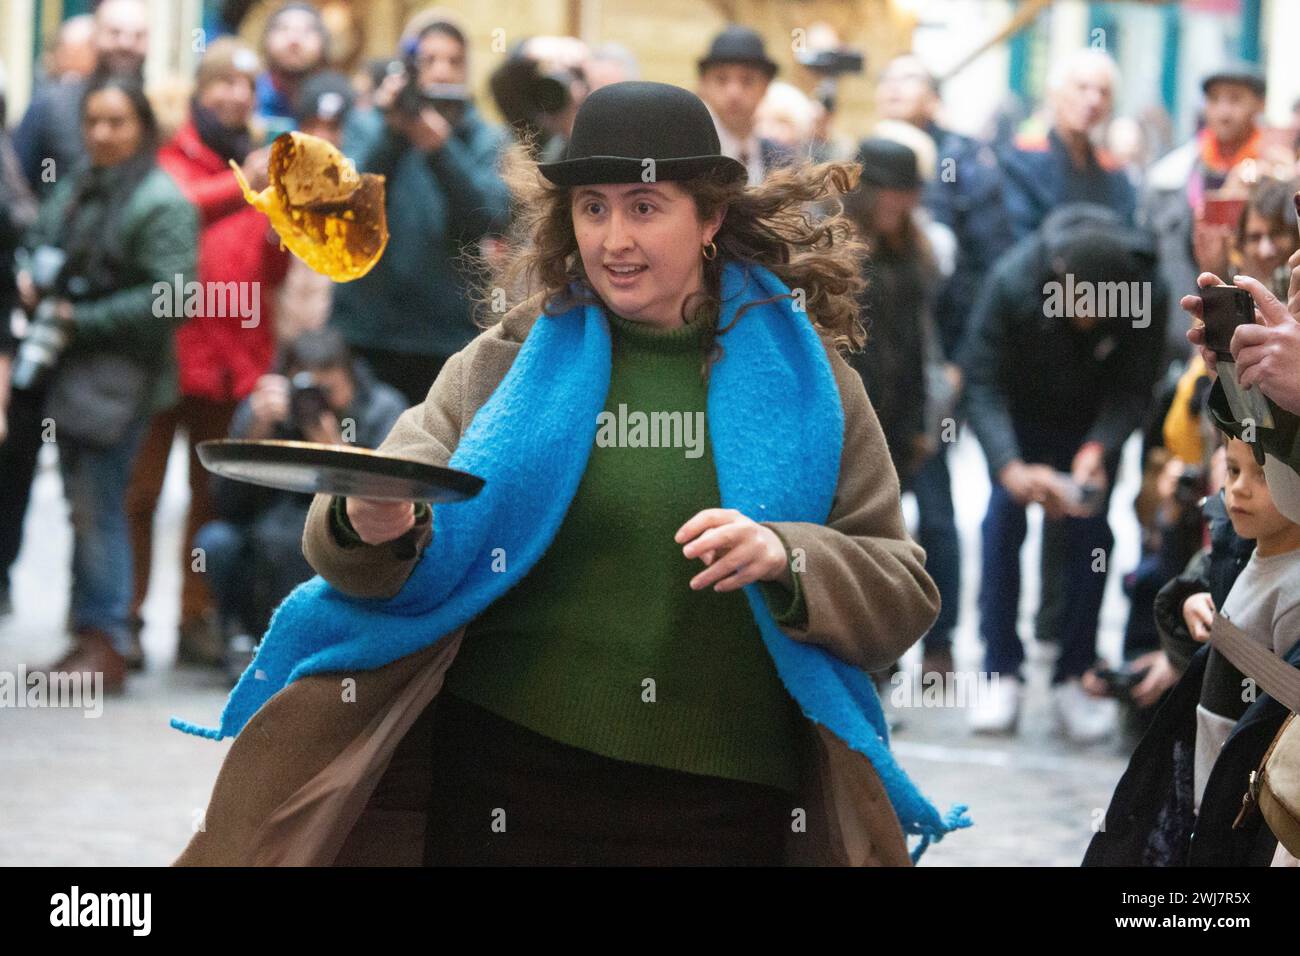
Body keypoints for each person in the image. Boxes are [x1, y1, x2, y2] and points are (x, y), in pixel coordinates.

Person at [173, 80, 964, 867]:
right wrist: (375, 521)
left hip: (722, 803)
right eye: (593, 207)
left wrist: (788, 558)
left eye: (644, 206)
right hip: (504, 782)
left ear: (711, 216)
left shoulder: (813, 386)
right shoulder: (513, 356)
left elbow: (901, 591)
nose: (613, 238)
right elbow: (376, 501)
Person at [961, 203, 1167, 742]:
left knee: (1092, 534)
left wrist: (1100, 447)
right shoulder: (1011, 282)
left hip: (1091, 427)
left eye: (1100, 311)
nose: (1087, 320)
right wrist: (1008, 464)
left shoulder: (1147, 291)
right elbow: (981, 381)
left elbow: (1134, 388)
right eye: (1077, 305)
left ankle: (1075, 672)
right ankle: (1000, 669)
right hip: (1021, 423)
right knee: (1001, 525)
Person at [20, 74, 198, 692]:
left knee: (102, 510)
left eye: (116, 122)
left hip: (122, 385)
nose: (101, 133)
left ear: (142, 129)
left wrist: (79, 318)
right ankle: (88, 636)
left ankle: (107, 644)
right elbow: (39, 239)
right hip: (74, 378)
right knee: (84, 506)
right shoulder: (79, 185)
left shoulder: (161, 200)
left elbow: (173, 299)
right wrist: (30, 273)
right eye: (92, 120)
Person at [123, 38, 290, 670]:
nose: (233, 95)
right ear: (200, 90)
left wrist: (280, 227)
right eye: (222, 83)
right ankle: (127, 621)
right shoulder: (169, 157)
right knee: (138, 496)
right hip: (165, 358)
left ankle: (196, 619)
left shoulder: (259, 165)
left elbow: (269, 276)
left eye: (245, 86)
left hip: (234, 361)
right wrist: (242, 186)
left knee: (208, 500)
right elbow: (175, 213)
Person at [195, 328, 405, 683]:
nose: (314, 403)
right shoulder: (265, 408)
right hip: (264, 538)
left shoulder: (382, 408)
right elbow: (225, 502)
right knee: (216, 542)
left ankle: (326, 648)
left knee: (293, 540)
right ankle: (249, 639)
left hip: (346, 539)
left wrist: (336, 451)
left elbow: (390, 503)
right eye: (306, 392)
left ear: (349, 377)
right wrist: (256, 433)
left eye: (326, 393)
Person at [330, 13, 510, 405]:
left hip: (448, 336)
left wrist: (440, 149)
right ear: (407, 70)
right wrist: (392, 135)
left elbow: (492, 216)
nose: (442, 70)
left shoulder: (487, 137)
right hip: (367, 330)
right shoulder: (368, 125)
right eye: (429, 60)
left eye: (453, 60)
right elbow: (347, 204)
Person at [840, 137, 956, 676]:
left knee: (919, 531)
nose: (899, 204)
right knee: (851, 538)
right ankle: (862, 658)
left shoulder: (915, 253)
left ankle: (913, 651)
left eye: (907, 194)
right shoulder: (835, 247)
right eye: (889, 193)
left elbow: (917, 344)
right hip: (849, 417)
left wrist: (920, 422)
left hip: (902, 418)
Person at [1144, 63, 1268, 363]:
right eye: (1214, 100)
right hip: (1178, 332)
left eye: (1235, 100)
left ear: (1259, 105)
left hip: (1254, 329)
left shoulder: (1274, 175)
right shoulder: (1170, 177)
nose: (1224, 112)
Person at [13, 0, 150, 197]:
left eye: (138, 35)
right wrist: (46, 222)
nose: (126, 43)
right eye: (114, 33)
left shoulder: (154, 110)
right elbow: (19, 185)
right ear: (93, 38)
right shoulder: (51, 106)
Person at [999, 48, 1135, 241]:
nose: (1093, 100)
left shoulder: (1114, 173)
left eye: (1103, 92)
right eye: (1082, 88)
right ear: (1055, 93)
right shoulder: (1022, 161)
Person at [697, 25, 794, 185]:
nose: (734, 93)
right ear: (704, 85)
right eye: (721, 79)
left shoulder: (783, 160)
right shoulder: (691, 159)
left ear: (765, 87)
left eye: (747, 80)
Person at [254, 1, 330, 140]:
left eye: (306, 31)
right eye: (283, 29)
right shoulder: (248, 95)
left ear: (323, 42)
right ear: (266, 38)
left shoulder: (337, 98)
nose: (294, 40)